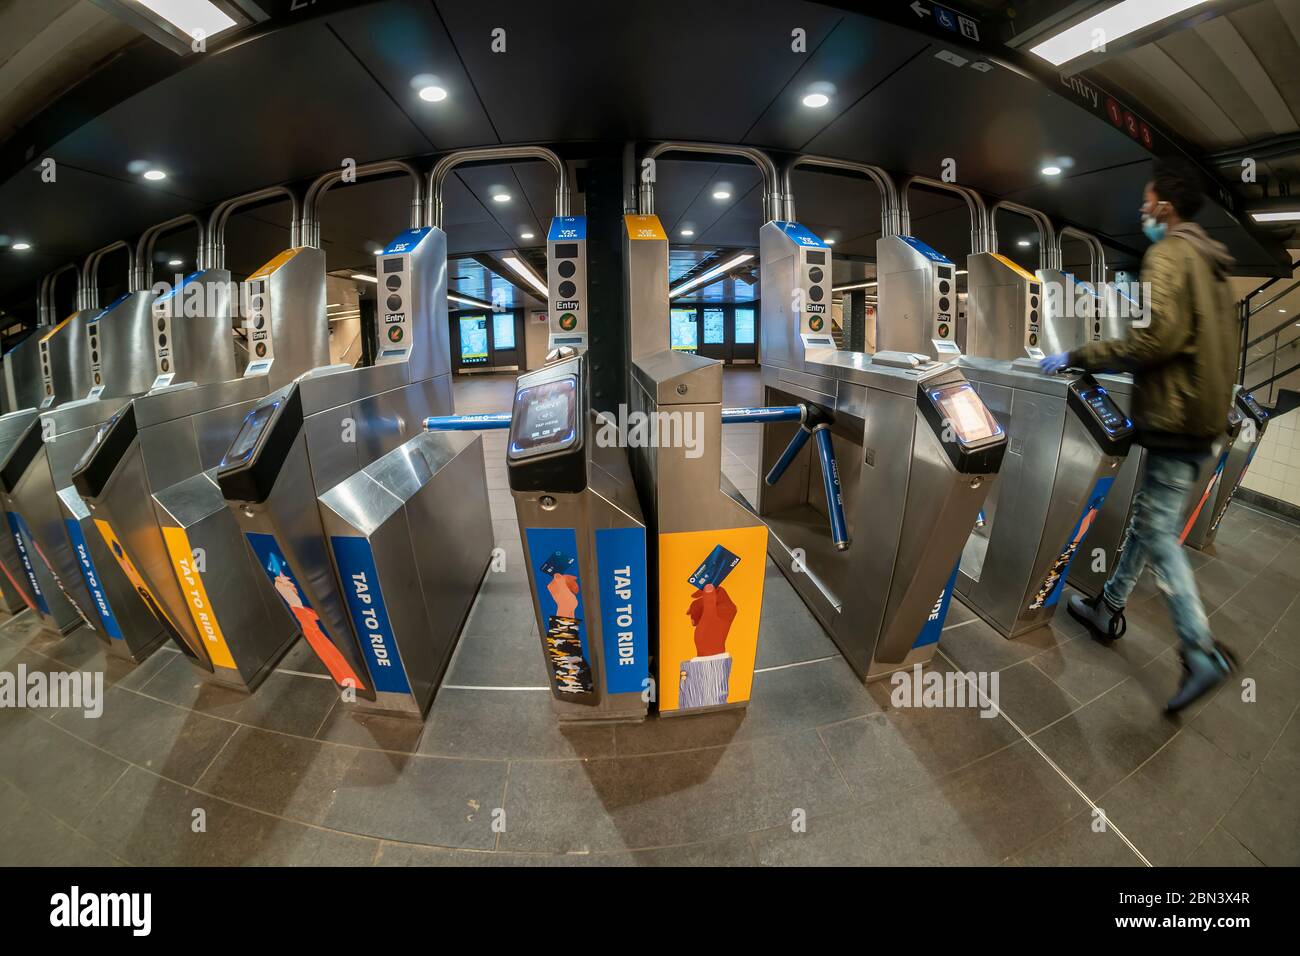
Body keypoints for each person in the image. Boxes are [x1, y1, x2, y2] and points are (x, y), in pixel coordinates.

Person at [1039, 157, 1238, 712]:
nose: (1142, 210)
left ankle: (1200, 653)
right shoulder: (1212, 263)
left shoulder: (1170, 253)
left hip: (1176, 419)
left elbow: (1155, 342)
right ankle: (1110, 603)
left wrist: (1077, 354)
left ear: (1165, 207)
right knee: (1152, 520)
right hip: (1199, 420)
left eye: (1147, 201)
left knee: (1157, 532)